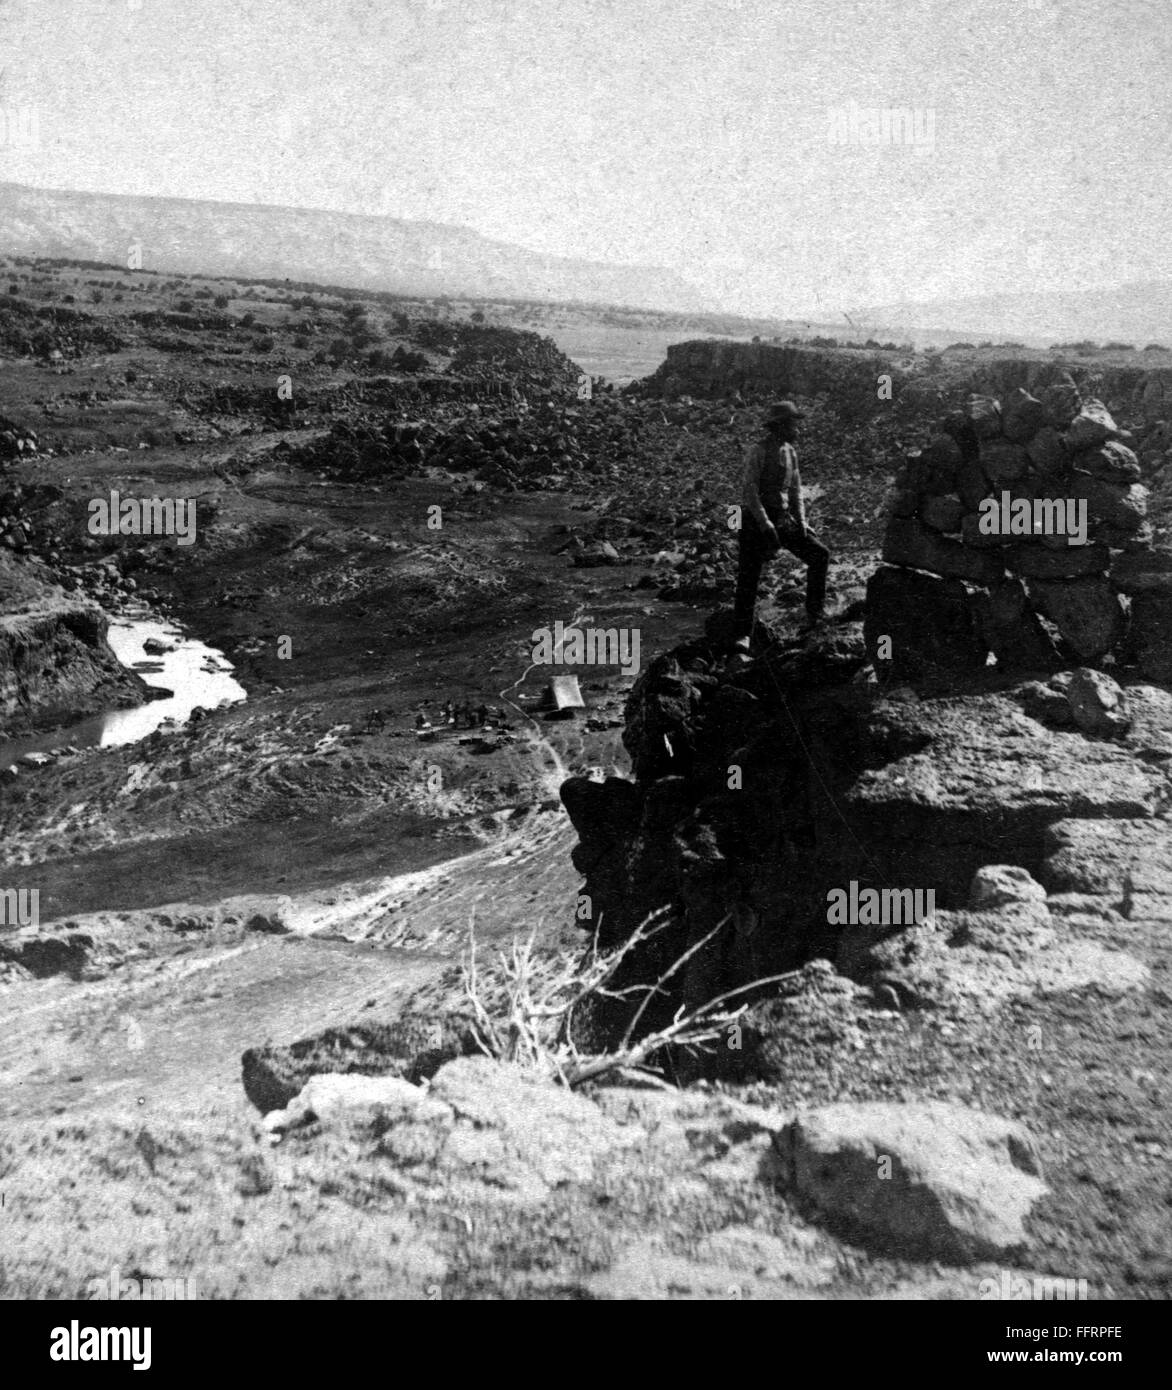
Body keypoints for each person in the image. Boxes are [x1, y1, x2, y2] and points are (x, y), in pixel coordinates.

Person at [733, 400, 829, 642]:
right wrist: (766, 525)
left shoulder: (791, 452)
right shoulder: (759, 450)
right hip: (755, 520)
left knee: (819, 555)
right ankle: (742, 634)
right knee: (749, 575)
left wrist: (802, 522)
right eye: (793, 425)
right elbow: (750, 491)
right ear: (780, 426)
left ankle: (814, 615)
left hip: (782, 517)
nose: (797, 430)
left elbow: (796, 491)